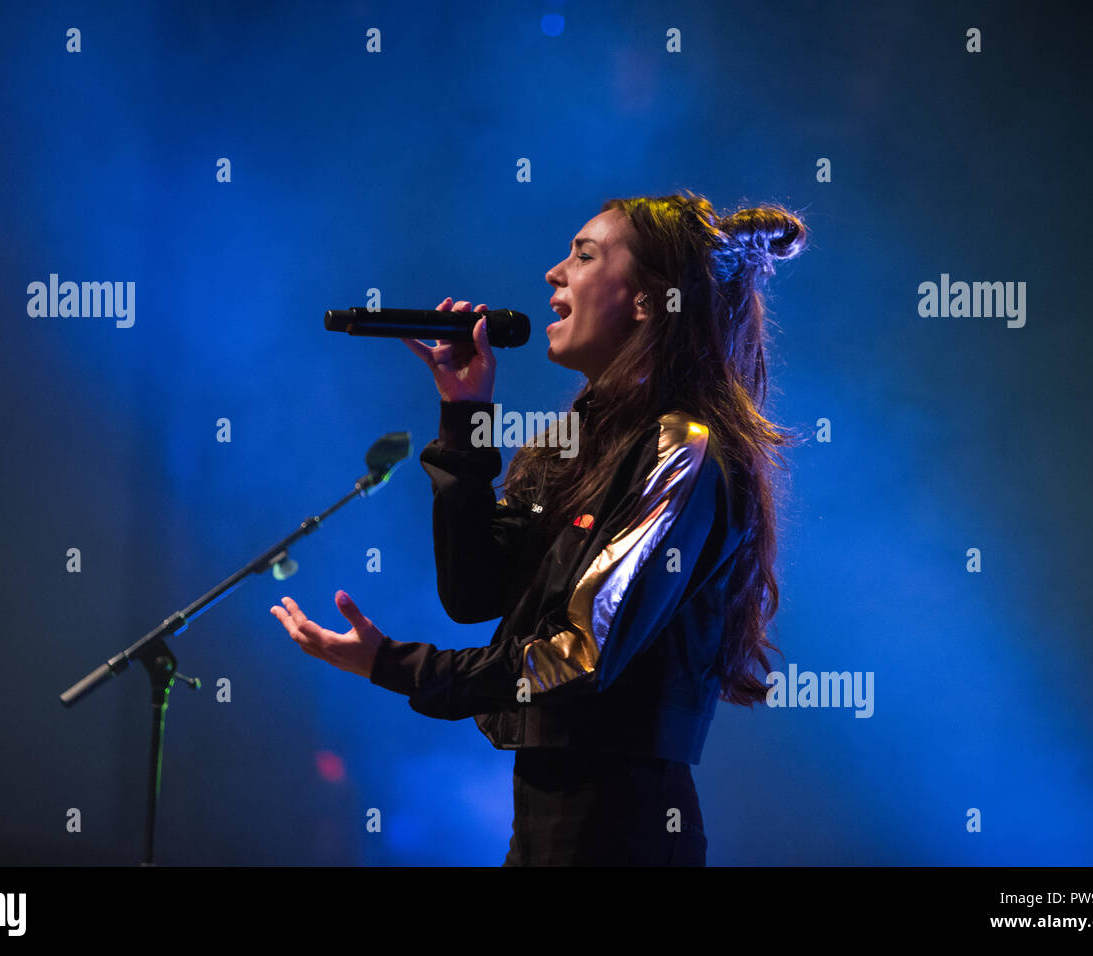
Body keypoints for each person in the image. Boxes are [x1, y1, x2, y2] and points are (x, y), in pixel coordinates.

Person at [271, 190, 808, 865]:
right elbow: (473, 594)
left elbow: (578, 656)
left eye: (583, 256)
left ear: (647, 300)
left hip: (624, 831)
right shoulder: (571, 442)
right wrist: (466, 416)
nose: (554, 274)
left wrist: (397, 665)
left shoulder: (681, 448)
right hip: (545, 823)